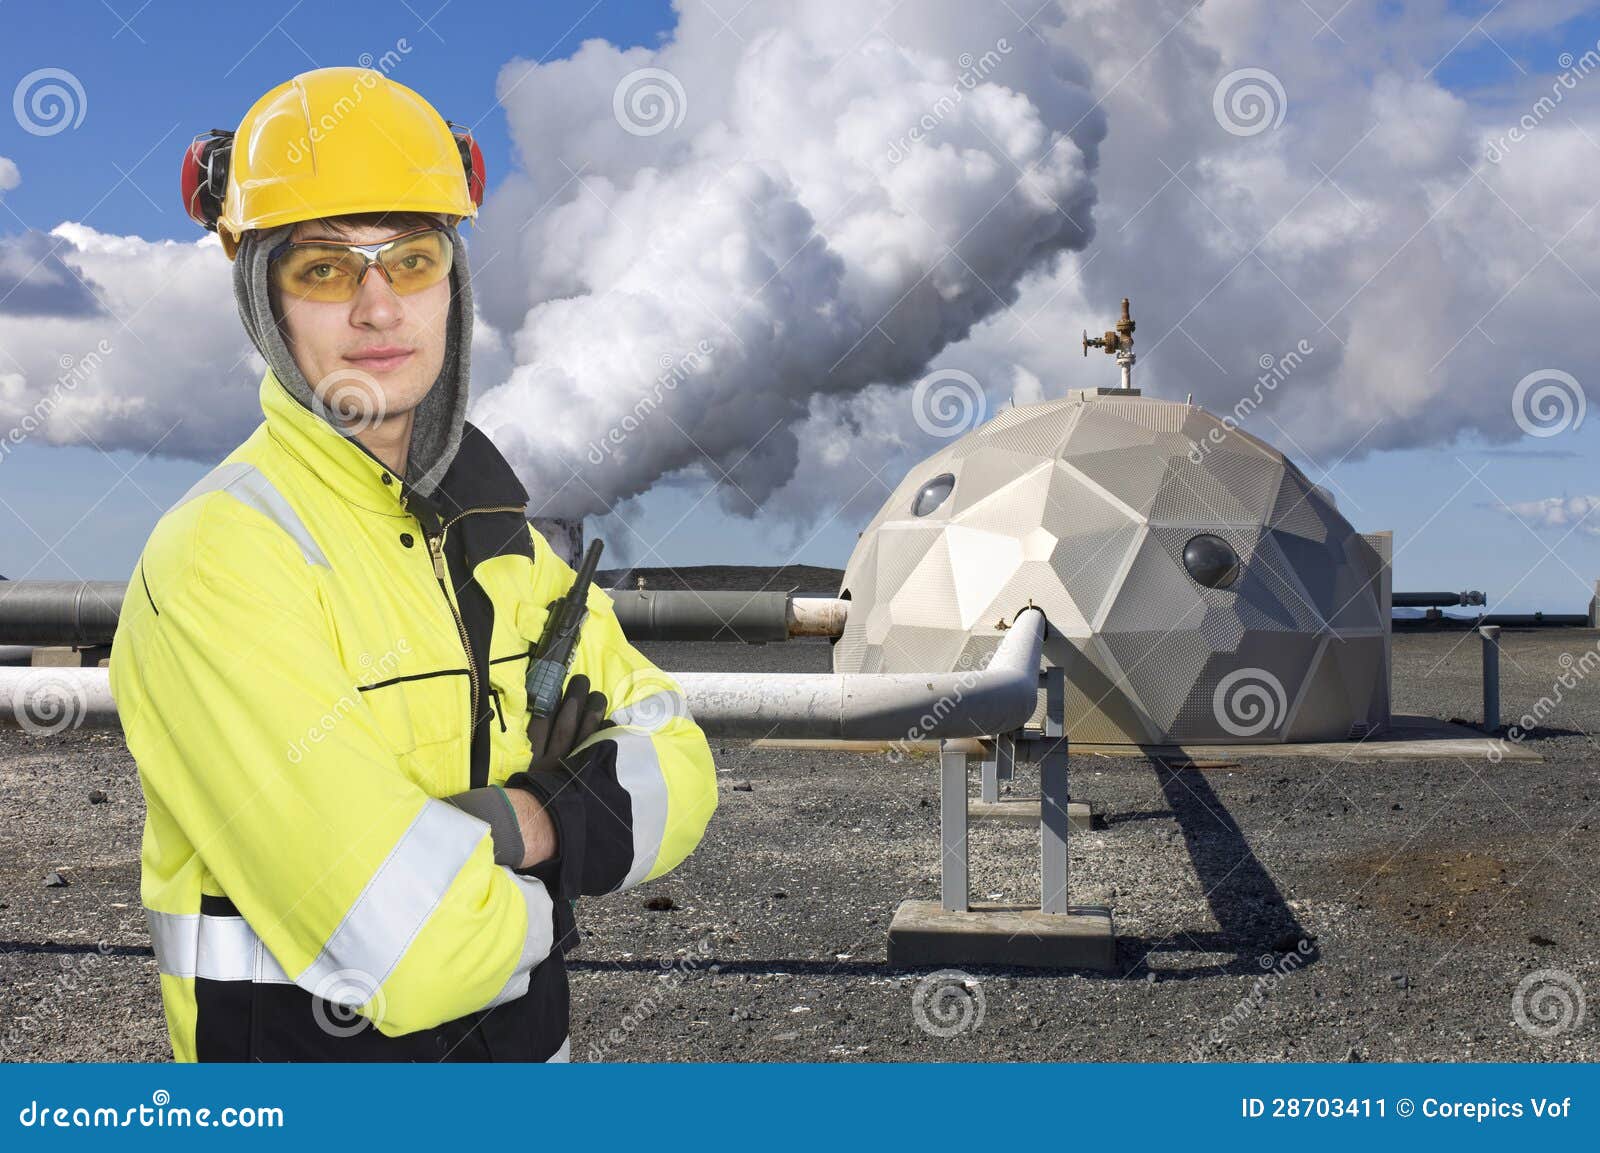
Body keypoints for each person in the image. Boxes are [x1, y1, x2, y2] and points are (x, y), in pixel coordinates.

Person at [106, 66, 718, 1062]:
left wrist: (527, 824)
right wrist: (559, 883)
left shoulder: (504, 541)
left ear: (453, 286)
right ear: (262, 297)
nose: (379, 308)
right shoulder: (220, 560)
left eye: (413, 258)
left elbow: (682, 766)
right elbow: (415, 951)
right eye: (323, 268)